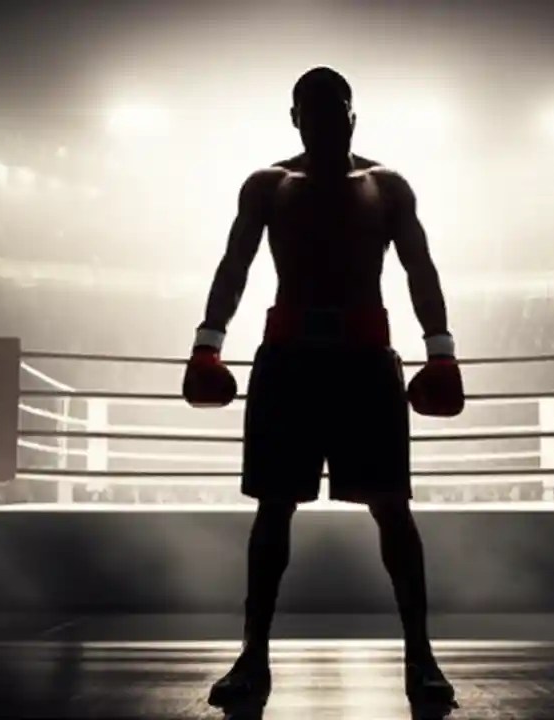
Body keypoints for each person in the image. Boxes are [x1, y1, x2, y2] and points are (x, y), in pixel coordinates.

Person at [182, 67, 462, 711]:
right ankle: (253, 657)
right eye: (314, 108)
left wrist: (441, 351)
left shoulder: (386, 187)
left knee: (392, 505)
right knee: (273, 508)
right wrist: (207, 341)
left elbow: (420, 266)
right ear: (294, 118)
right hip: (291, 359)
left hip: (364, 359)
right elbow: (235, 265)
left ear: (354, 115)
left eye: (336, 107)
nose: (327, 119)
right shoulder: (269, 186)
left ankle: (421, 657)